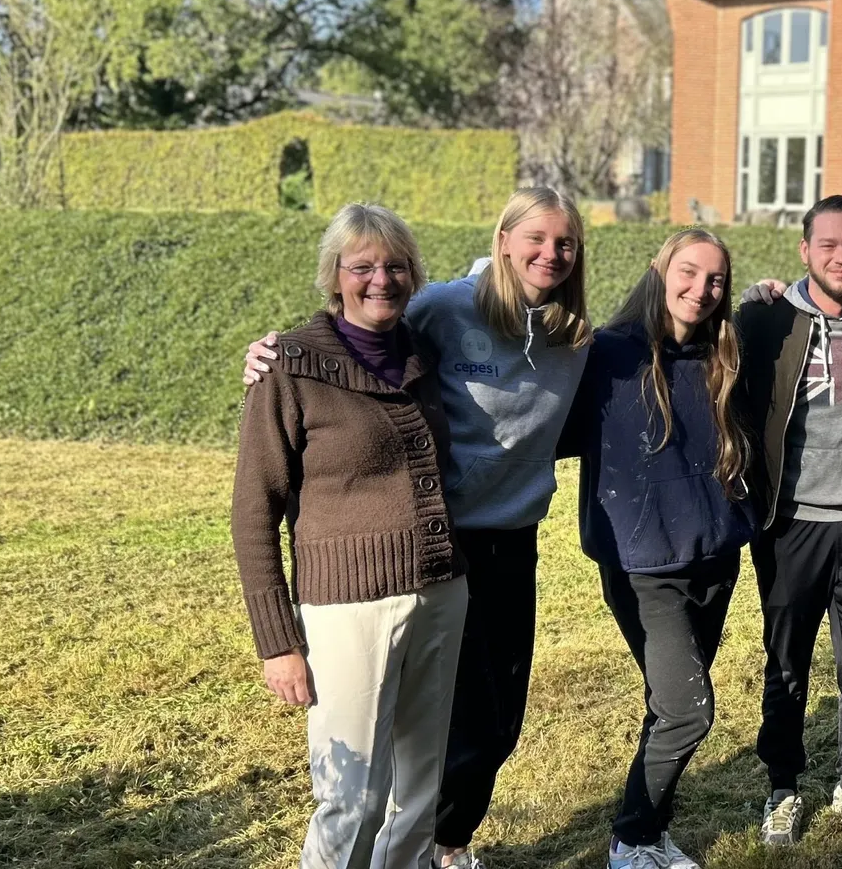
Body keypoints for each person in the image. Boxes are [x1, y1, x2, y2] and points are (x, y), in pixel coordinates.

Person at [244, 188, 592, 869]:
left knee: (465, 745)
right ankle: (437, 848)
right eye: (536, 238)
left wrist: (758, 302)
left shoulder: (564, 337)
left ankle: (441, 846)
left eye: (566, 243)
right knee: (369, 777)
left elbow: (649, 335)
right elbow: (350, 340)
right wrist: (268, 356)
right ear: (502, 239)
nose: (550, 253)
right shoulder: (422, 316)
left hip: (485, 559)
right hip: (402, 562)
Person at [231, 203, 468, 869]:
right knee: (354, 796)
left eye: (396, 265)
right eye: (362, 266)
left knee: (419, 792)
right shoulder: (288, 365)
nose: (381, 279)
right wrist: (278, 644)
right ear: (335, 275)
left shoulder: (422, 351)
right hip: (346, 608)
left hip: (441, 592)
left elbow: (502, 277)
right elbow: (254, 512)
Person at [570, 228, 756, 869]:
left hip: (714, 556)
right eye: (688, 272)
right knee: (687, 709)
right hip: (643, 565)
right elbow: (516, 376)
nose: (700, 290)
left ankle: (649, 830)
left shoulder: (724, 356)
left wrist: (769, 297)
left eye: (716, 280)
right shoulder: (603, 356)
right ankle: (631, 837)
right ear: (658, 270)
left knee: (671, 703)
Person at [734, 195, 842, 843]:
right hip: (791, 524)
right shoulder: (766, 320)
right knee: (787, 663)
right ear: (804, 250)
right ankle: (782, 787)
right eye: (828, 244)